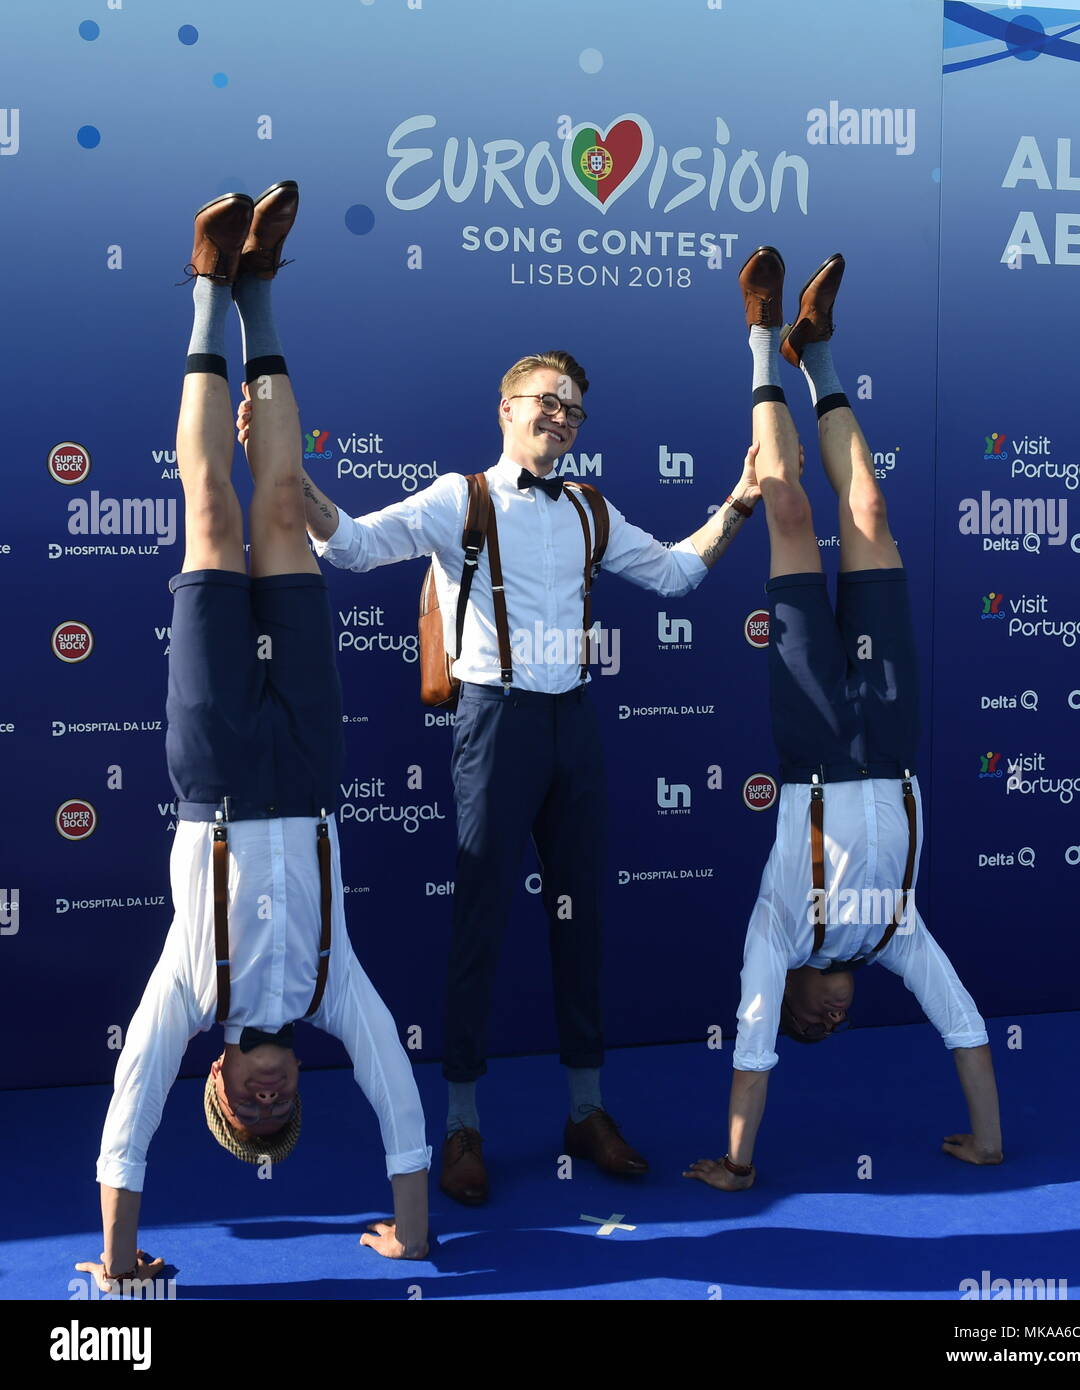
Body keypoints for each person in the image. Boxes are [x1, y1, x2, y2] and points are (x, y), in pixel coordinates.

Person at [283, 342, 763, 1205]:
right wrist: (295, 480)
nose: (560, 417)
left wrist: (739, 501)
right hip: (493, 723)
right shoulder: (454, 499)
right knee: (479, 926)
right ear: (505, 410)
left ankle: (586, 1111)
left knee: (581, 923)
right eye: (546, 400)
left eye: (573, 408)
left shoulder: (590, 509)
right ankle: (462, 1123)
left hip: (571, 725)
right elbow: (350, 548)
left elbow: (679, 575)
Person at [77, 185, 431, 1292]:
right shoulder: (338, 996)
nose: (273, 1100)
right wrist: (414, 1233)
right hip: (315, 763)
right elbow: (396, 1096)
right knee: (282, 512)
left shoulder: (190, 993)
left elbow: (134, 1091)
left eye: (249, 1111)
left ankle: (204, 284)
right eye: (288, 1110)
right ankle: (263, 289)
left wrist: (120, 1253)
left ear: (222, 1080)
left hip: (218, 769)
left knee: (214, 513)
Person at [684, 248, 1003, 1193]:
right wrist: (986, 1142)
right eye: (833, 1026)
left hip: (817, 738)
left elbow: (750, 1042)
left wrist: (737, 1162)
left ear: (788, 996)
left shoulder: (774, 935)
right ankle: (815, 352)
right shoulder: (897, 933)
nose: (826, 1020)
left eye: (807, 1022)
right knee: (866, 506)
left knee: (787, 511)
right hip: (896, 735)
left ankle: (757, 338)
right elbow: (966, 1026)